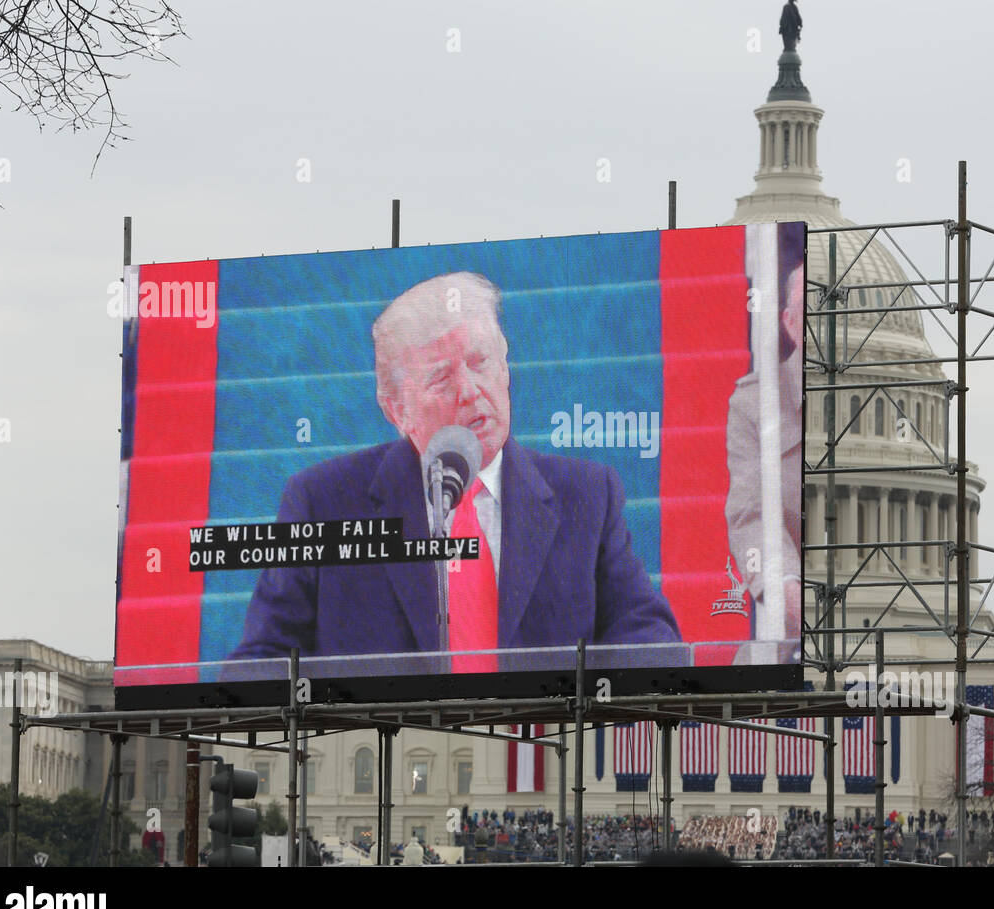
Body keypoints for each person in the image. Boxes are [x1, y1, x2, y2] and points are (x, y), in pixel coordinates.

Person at [229, 271, 683, 678]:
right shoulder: (322, 502)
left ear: (505, 368)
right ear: (396, 408)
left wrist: (570, 711)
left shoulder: (586, 494)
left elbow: (651, 639)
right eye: (441, 378)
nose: (469, 391)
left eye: (480, 362)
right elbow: (262, 660)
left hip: (543, 758)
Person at [724, 234, 805, 665]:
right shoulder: (755, 403)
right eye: (814, 314)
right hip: (796, 631)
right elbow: (753, 519)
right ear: (790, 324)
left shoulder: (882, 388)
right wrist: (797, 603)